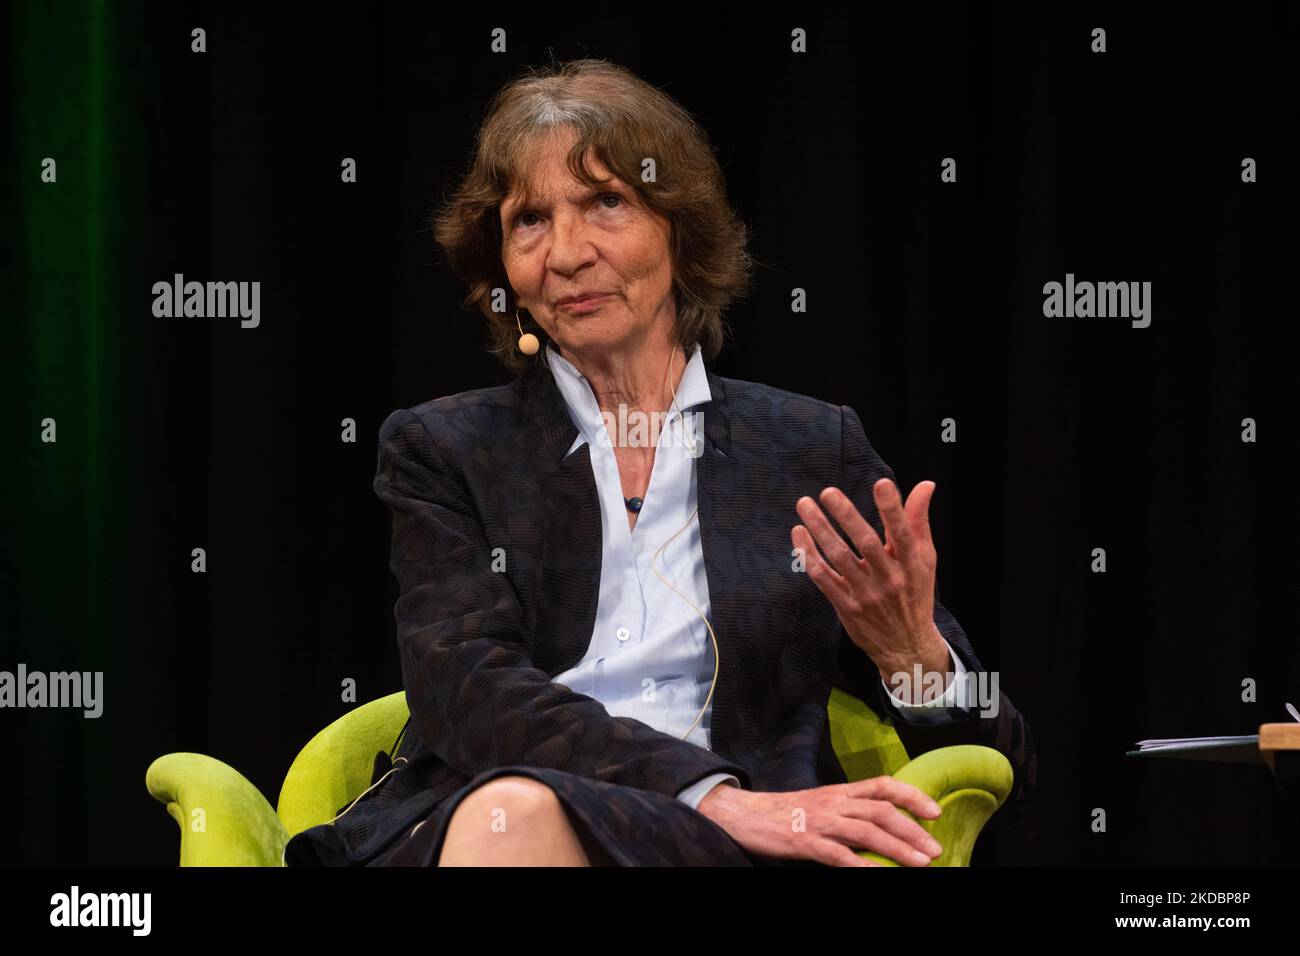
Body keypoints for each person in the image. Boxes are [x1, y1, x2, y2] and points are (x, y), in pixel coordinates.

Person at [283, 58, 1036, 868]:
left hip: (729, 847)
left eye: (606, 203)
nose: (566, 253)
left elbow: (1001, 756)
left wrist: (913, 658)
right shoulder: (445, 449)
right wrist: (709, 795)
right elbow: (464, 689)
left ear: (680, 227)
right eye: (529, 220)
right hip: (503, 816)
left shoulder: (809, 447)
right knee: (515, 814)